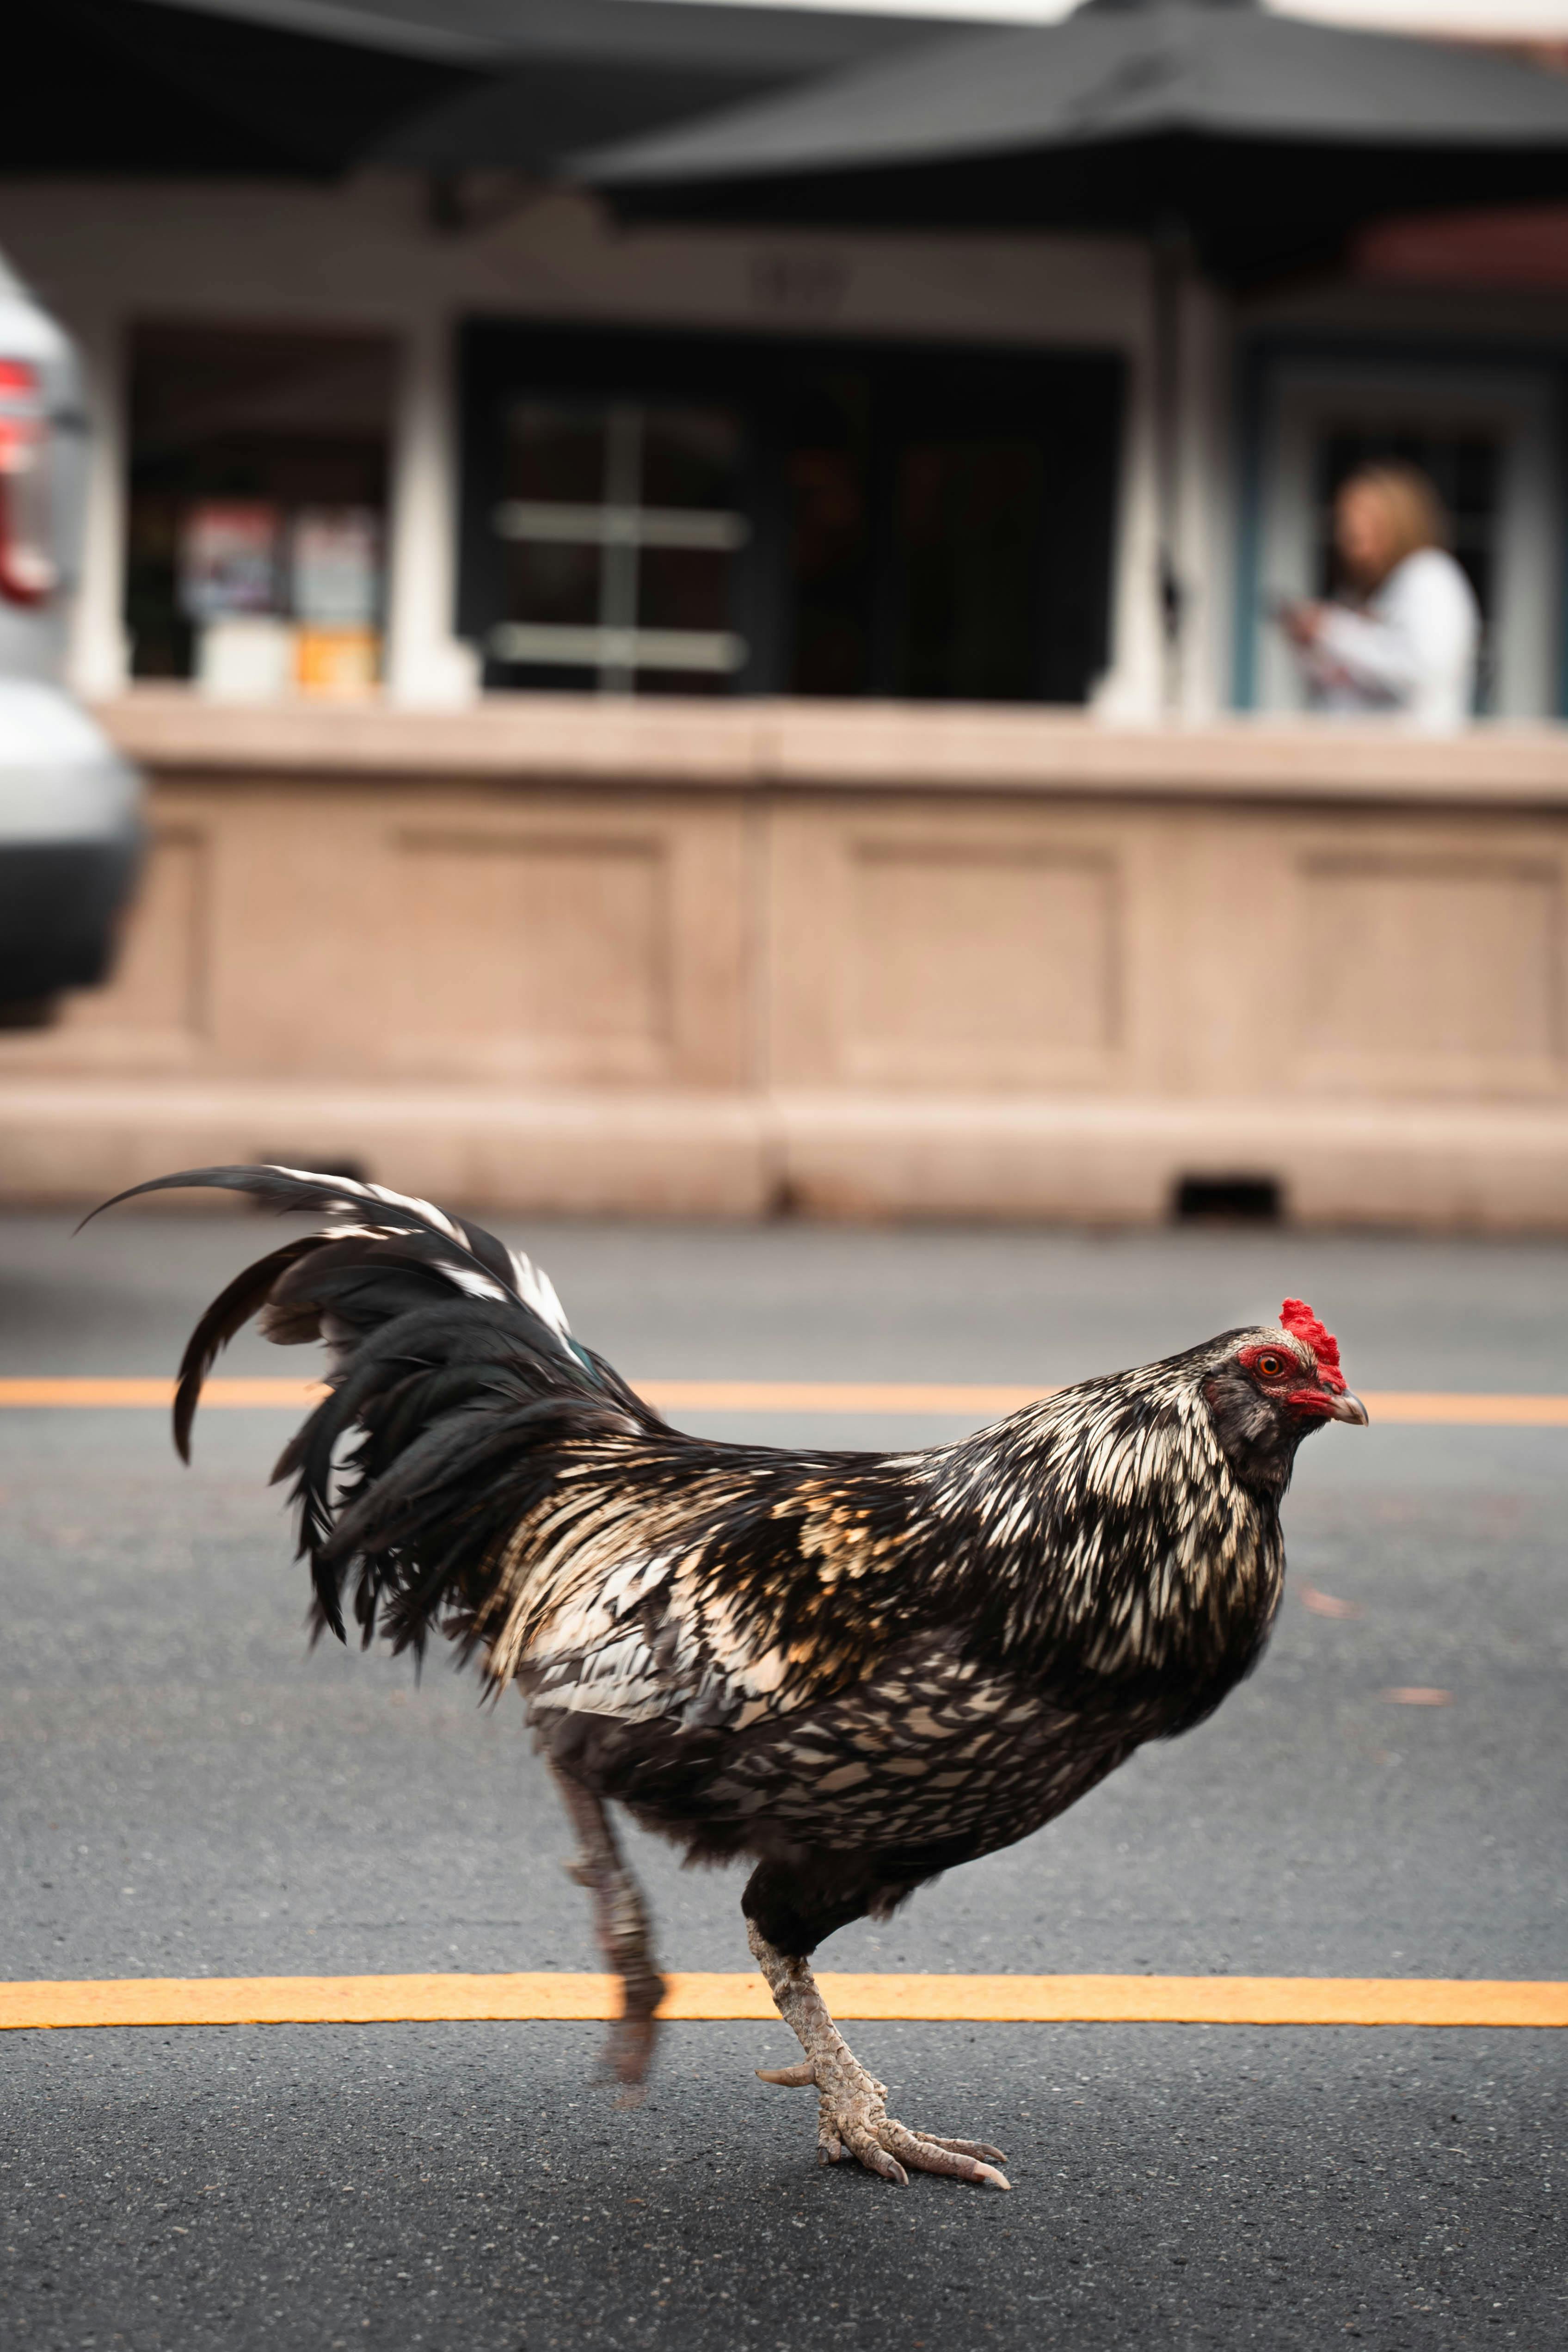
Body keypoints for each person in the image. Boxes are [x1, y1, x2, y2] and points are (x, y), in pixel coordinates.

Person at [1277, 462, 1480, 731]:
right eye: (1344, 518)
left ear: (1400, 521)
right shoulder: (1361, 591)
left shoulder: (1429, 577)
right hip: (1362, 749)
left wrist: (1331, 629)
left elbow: (1423, 672)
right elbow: (1337, 695)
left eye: (1365, 516)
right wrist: (1312, 646)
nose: (1351, 529)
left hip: (1418, 752)